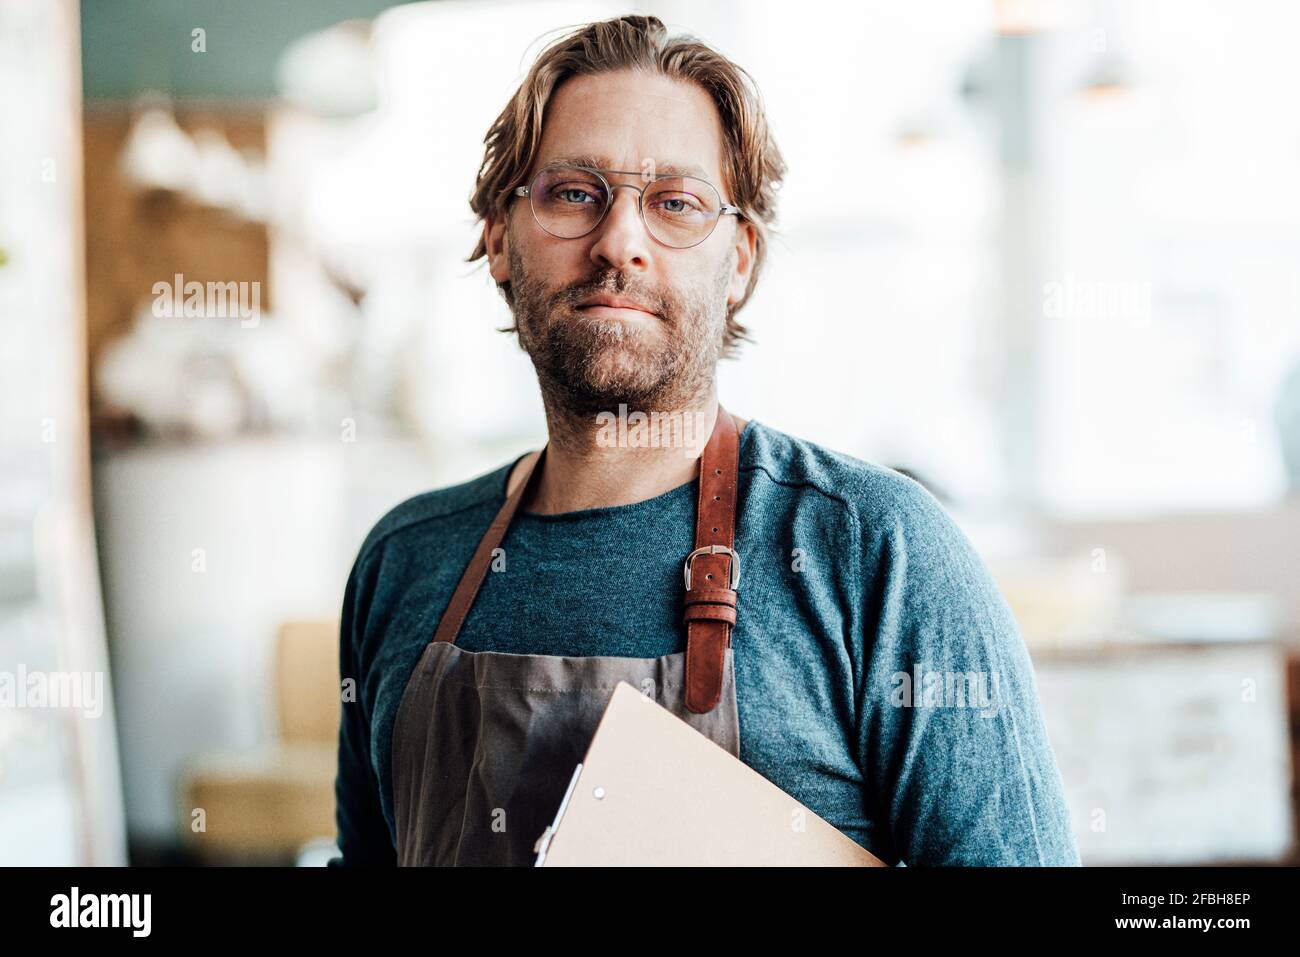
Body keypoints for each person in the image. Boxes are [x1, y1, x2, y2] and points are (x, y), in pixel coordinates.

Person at [331, 14, 1079, 866]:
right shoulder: (401, 563)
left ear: (741, 261)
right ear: (501, 239)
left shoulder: (880, 557)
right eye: (574, 192)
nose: (620, 242)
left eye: (675, 204)